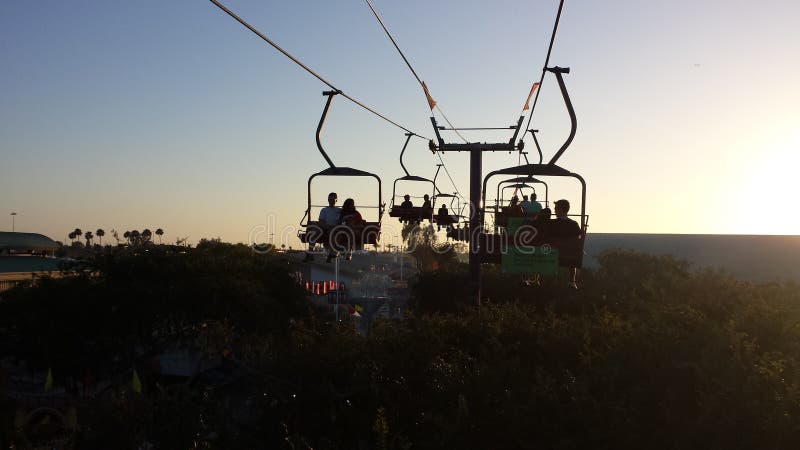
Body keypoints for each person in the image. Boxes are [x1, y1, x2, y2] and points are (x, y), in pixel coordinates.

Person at [549, 199, 582, 288]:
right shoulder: (574, 224)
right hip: (569, 255)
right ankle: (572, 281)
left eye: (556, 208)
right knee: (572, 254)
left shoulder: (552, 223)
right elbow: (578, 238)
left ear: (560, 209)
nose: (554, 210)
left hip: (553, 254)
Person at [314, 192, 341, 262]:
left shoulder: (339, 211)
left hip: (335, 229)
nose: (331, 201)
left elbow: (341, 221)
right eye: (330, 199)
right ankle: (310, 253)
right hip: (326, 228)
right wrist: (325, 226)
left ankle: (331, 253)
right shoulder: (324, 210)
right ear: (328, 200)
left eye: (333, 199)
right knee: (315, 233)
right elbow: (321, 221)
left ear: (336, 200)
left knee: (333, 233)